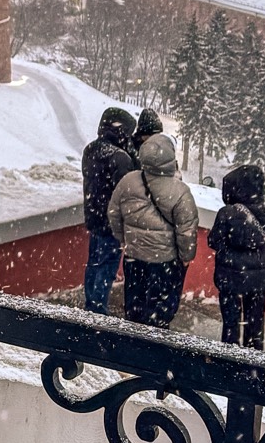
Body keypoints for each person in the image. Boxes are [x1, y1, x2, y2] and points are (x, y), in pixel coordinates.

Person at [107, 131, 199, 329]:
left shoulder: (128, 181)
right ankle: (153, 349)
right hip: (164, 262)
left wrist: (123, 239)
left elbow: (113, 212)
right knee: (160, 311)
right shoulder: (180, 191)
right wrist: (186, 256)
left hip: (134, 257)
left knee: (134, 307)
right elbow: (187, 230)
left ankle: (132, 345)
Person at [207, 163, 265, 349]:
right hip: (259, 274)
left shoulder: (228, 213)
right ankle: (253, 360)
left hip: (231, 273)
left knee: (231, 321)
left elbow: (214, 241)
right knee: (255, 322)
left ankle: (229, 358)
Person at [80, 106, 137, 314]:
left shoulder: (91, 149)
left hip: (94, 218)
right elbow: (127, 191)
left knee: (94, 263)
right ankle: (98, 311)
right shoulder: (120, 158)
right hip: (112, 223)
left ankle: (90, 306)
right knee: (107, 267)